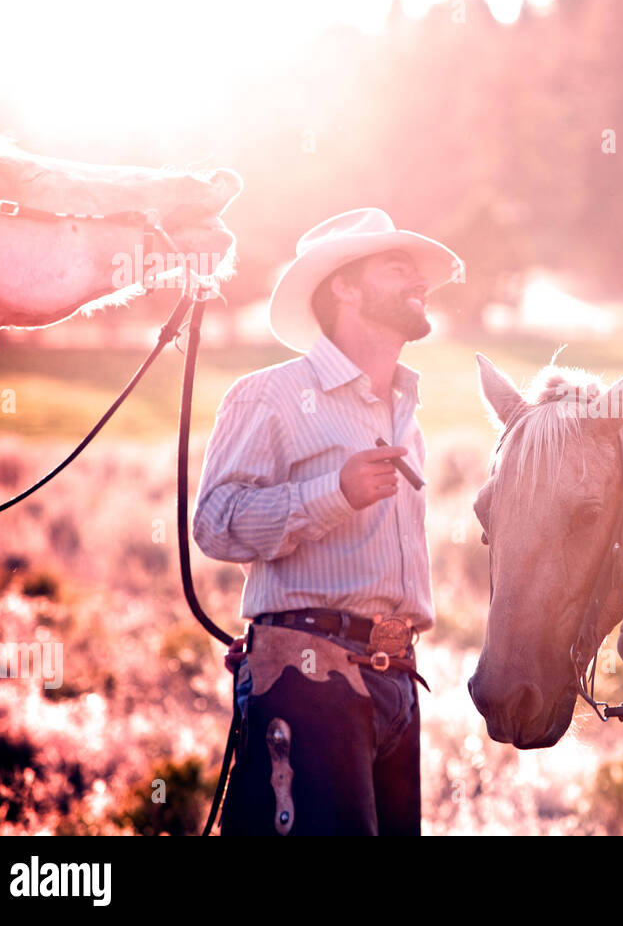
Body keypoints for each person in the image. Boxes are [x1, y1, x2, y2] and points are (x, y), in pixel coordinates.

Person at [193, 207, 461, 835]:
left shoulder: (406, 413)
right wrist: (334, 492)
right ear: (343, 285)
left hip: (397, 681)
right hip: (309, 680)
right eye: (399, 268)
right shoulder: (271, 395)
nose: (419, 282)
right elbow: (213, 524)